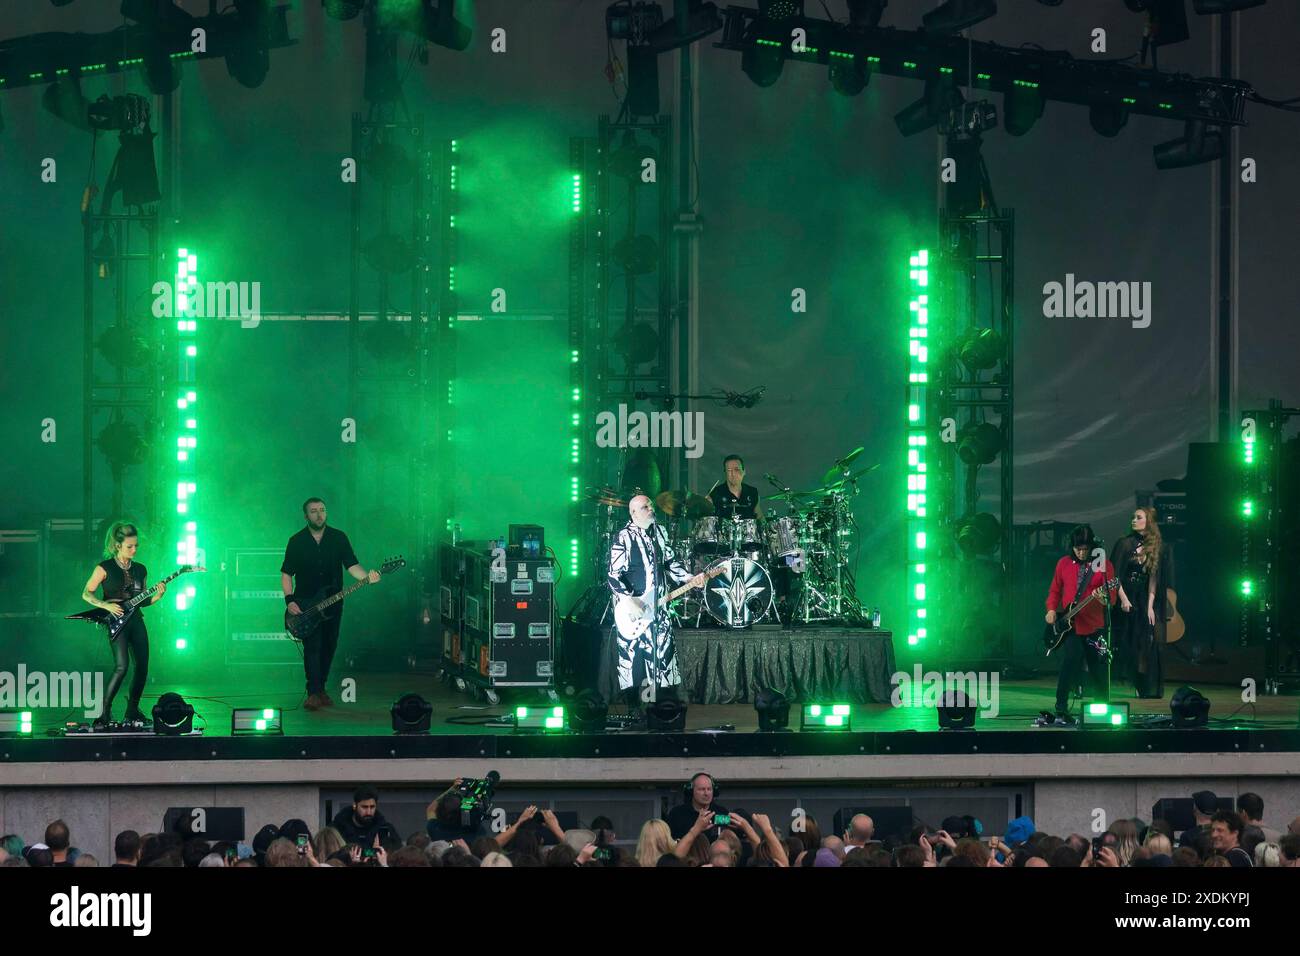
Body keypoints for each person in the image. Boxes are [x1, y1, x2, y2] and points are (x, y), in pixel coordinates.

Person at [281, 498, 380, 711]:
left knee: (329, 646)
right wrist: (290, 601)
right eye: (314, 511)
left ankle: (321, 689)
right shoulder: (296, 541)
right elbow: (286, 573)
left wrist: (367, 576)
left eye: (322, 510)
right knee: (313, 647)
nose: (319, 515)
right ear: (306, 516)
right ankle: (313, 692)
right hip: (306, 603)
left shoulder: (339, 538)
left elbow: (352, 566)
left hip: (334, 602)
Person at [607, 496, 704, 707]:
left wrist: (689, 578)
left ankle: (662, 706)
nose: (651, 509)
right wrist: (628, 600)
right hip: (634, 609)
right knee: (634, 662)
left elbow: (670, 561)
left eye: (650, 505)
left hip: (659, 606)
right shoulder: (623, 537)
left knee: (664, 656)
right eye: (645, 507)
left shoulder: (659, 532)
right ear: (633, 513)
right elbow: (613, 575)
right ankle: (635, 709)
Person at [80, 522, 166, 727]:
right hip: (117, 622)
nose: (134, 550)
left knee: (143, 666)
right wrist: (105, 606)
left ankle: (132, 710)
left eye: (136, 545)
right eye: (130, 546)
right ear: (118, 545)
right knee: (122, 666)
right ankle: (105, 712)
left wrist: (159, 596)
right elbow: (86, 593)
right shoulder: (104, 568)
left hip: (136, 620)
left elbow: (142, 600)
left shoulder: (140, 569)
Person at [1045, 524, 1115, 723]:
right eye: (1078, 549)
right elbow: (1055, 590)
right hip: (1071, 626)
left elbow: (1111, 597)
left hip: (1094, 626)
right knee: (1070, 662)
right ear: (1072, 547)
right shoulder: (1063, 564)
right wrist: (1051, 609)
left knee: (1098, 667)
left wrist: (1104, 598)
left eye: (1085, 549)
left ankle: (1102, 709)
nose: (1082, 553)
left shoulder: (1103, 565)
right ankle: (1061, 708)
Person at [1110, 507, 1172, 698]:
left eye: (1139, 517)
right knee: (1127, 643)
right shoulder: (1125, 544)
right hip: (1126, 595)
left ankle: (1145, 684)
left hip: (1143, 597)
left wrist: (1150, 606)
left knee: (1146, 643)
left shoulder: (1156, 546)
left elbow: (1154, 578)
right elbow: (1114, 576)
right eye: (1133, 517)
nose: (1134, 520)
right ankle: (1134, 681)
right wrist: (1123, 599)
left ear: (1149, 522)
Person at [665, 772, 729, 840]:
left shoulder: (722, 813)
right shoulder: (677, 814)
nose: (706, 793)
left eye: (709, 789)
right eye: (702, 789)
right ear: (691, 791)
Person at [330, 786, 400, 846]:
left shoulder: (385, 829)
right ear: (355, 806)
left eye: (372, 807)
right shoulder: (337, 828)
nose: (368, 812)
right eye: (364, 807)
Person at [706, 455, 764, 521]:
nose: (733, 474)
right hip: (723, 531)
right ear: (725, 472)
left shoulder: (752, 492)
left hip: (749, 531)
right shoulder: (715, 493)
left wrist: (767, 529)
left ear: (744, 471)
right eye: (729, 470)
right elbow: (707, 519)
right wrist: (704, 505)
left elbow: (759, 516)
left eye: (737, 469)